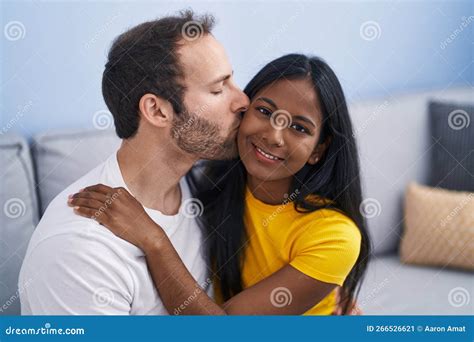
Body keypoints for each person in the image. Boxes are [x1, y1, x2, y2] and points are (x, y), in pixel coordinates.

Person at [68, 54, 371, 315]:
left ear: (319, 149)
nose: (274, 136)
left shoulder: (336, 236)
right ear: (243, 111)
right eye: (264, 111)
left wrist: (153, 240)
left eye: (299, 127)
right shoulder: (211, 180)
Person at [18, 10, 249, 314]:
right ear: (157, 110)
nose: (243, 100)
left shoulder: (203, 184)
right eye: (218, 89)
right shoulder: (80, 250)